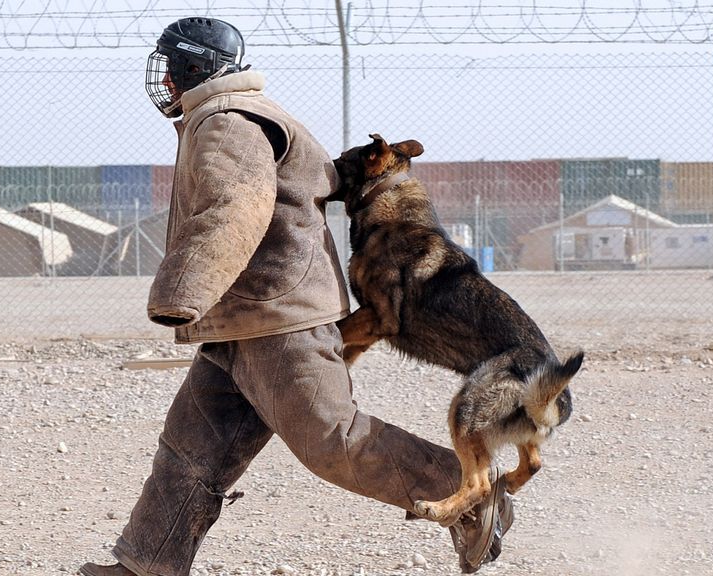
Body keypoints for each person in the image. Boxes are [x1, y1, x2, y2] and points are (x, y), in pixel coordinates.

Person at [80, 17, 513, 576]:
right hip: (240, 321)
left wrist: (182, 289)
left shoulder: (226, 122)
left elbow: (237, 205)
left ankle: (470, 494)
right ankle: (148, 565)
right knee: (190, 452)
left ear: (192, 67)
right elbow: (313, 181)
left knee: (335, 441)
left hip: (276, 318)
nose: (162, 76)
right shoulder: (248, 115)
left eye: (170, 64)